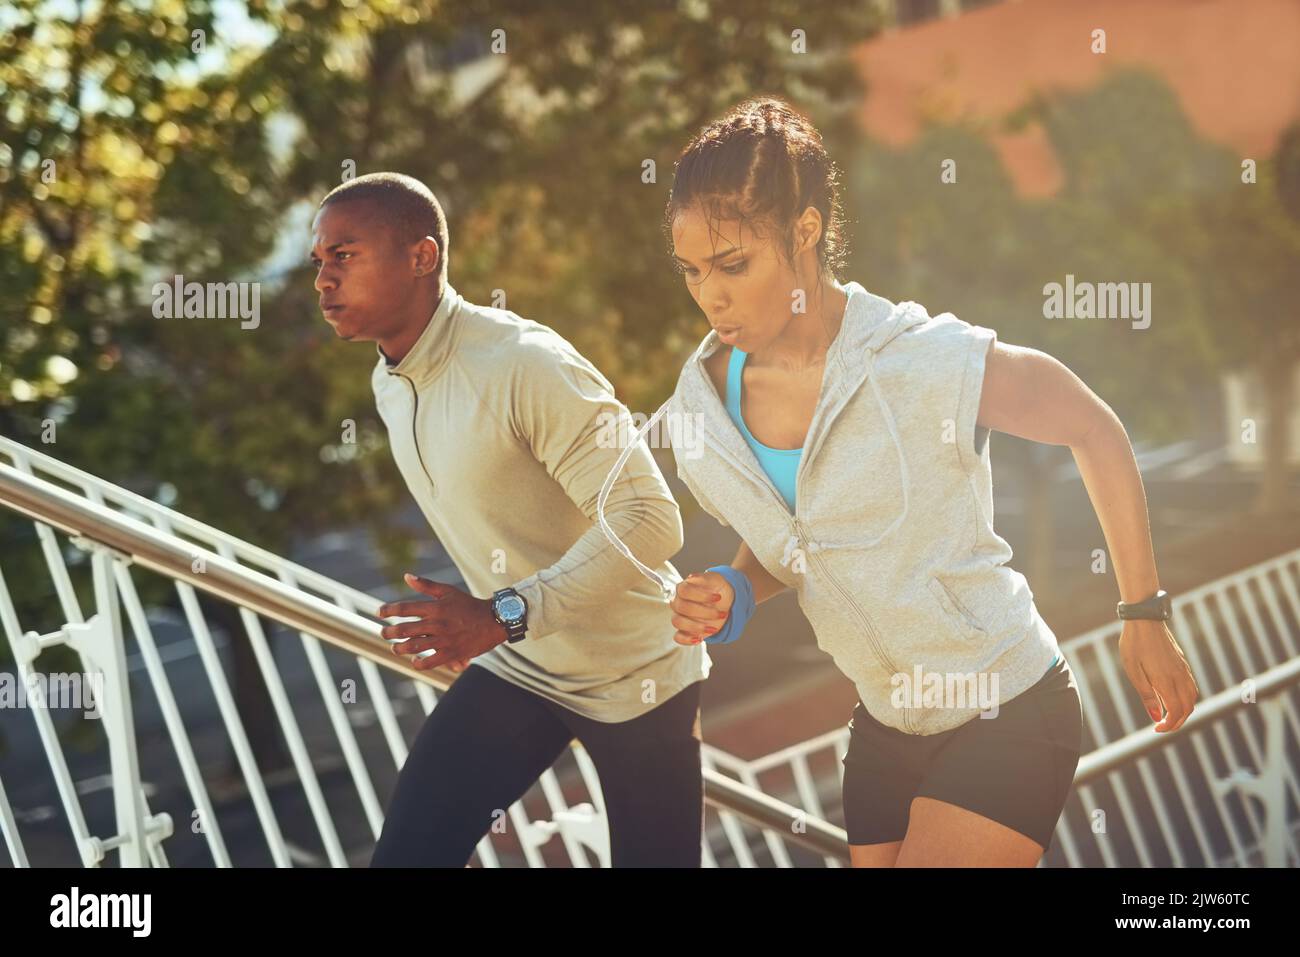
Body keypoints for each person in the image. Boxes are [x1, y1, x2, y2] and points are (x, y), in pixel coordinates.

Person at [599, 97, 1199, 867]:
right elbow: (790, 538)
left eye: (733, 265)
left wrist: (1142, 611)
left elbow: (1093, 425)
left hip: (1004, 704)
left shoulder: (920, 360)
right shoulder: (703, 409)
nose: (709, 296)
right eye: (692, 271)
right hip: (884, 729)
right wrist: (736, 589)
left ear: (805, 233)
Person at [309, 172, 710, 867]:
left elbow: (650, 519)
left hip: (636, 672)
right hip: (524, 664)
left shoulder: (524, 363)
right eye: (318, 262)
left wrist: (501, 613)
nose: (323, 280)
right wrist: (499, 621)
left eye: (345, 255)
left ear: (422, 256)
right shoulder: (389, 379)